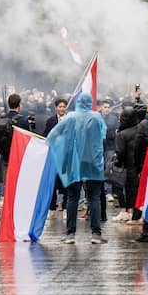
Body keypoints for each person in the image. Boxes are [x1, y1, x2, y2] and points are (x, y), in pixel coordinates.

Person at [47, 93, 107, 244]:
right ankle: (96, 234)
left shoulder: (70, 117)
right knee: (94, 198)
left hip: (74, 163)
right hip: (93, 163)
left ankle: (70, 234)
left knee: (72, 197)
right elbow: (104, 135)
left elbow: (53, 135)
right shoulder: (97, 117)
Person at [112, 107, 142, 222]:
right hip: (140, 165)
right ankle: (136, 214)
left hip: (128, 167)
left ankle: (130, 213)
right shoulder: (140, 129)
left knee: (127, 190)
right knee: (138, 190)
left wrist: (116, 160)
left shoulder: (122, 134)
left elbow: (121, 152)